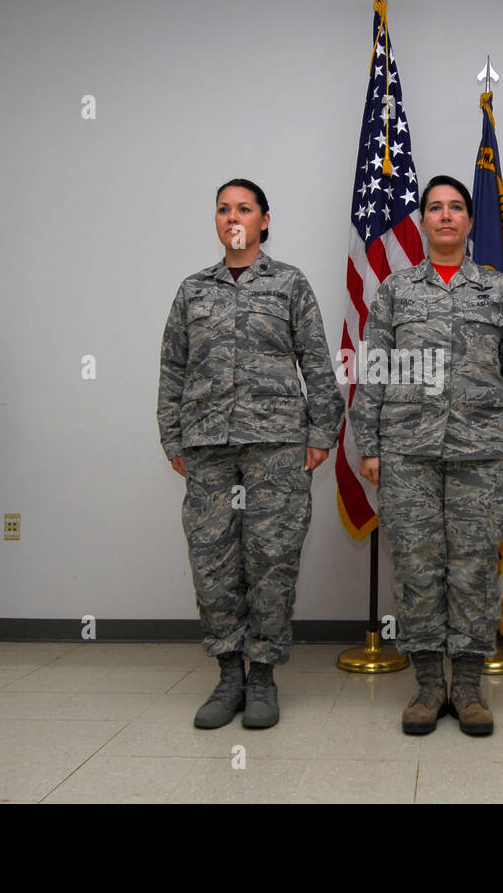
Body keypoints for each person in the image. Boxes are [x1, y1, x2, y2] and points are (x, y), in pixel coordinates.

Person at [350, 175, 503, 736]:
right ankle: (427, 686)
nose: (444, 216)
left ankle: (466, 686)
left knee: (473, 570)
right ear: (422, 220)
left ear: (467, 220)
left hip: (480, 453)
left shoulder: (496, 291)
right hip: (407, 453)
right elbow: (375, 374)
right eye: (434, 207)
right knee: (416, 568)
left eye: (455, 207)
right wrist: (370, 446)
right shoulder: (394, 291)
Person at [158, 178, 343, 730]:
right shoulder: (193, 290)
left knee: (272, 562)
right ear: (215, 221)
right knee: (213, 565)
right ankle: (228, 675)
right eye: (222, 209)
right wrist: (173, 438)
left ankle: (262, 676)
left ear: (264, 220)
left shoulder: (289, 284)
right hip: (209, 448)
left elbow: (317, 362)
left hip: (277, 448)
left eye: (244, 208)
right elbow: (172, 369)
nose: (232, 216)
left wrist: (320, 434)